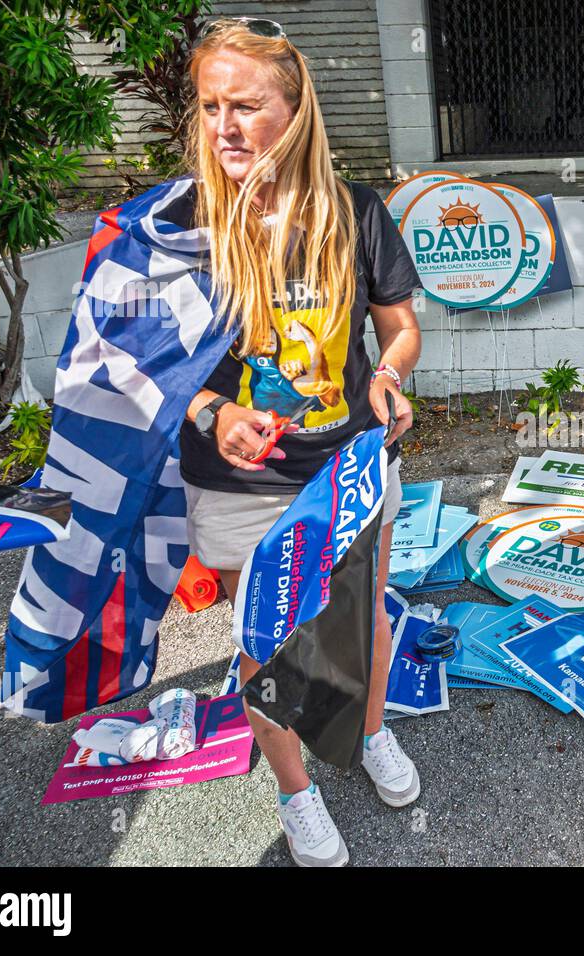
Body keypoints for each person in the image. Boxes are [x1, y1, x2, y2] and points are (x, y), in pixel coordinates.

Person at [178, 18, 423, 867]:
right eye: (211, 106)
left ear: (296, 110)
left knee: (363, 627)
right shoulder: (182, 224)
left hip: (350, 467)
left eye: (246, 105)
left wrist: (388, 375)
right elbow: (151, 367)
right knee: (266, 645)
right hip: (239, 483)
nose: (225, 127)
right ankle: (296, 793)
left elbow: (400, 328)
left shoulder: (356, 210)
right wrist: (214, 411)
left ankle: (371, 729)